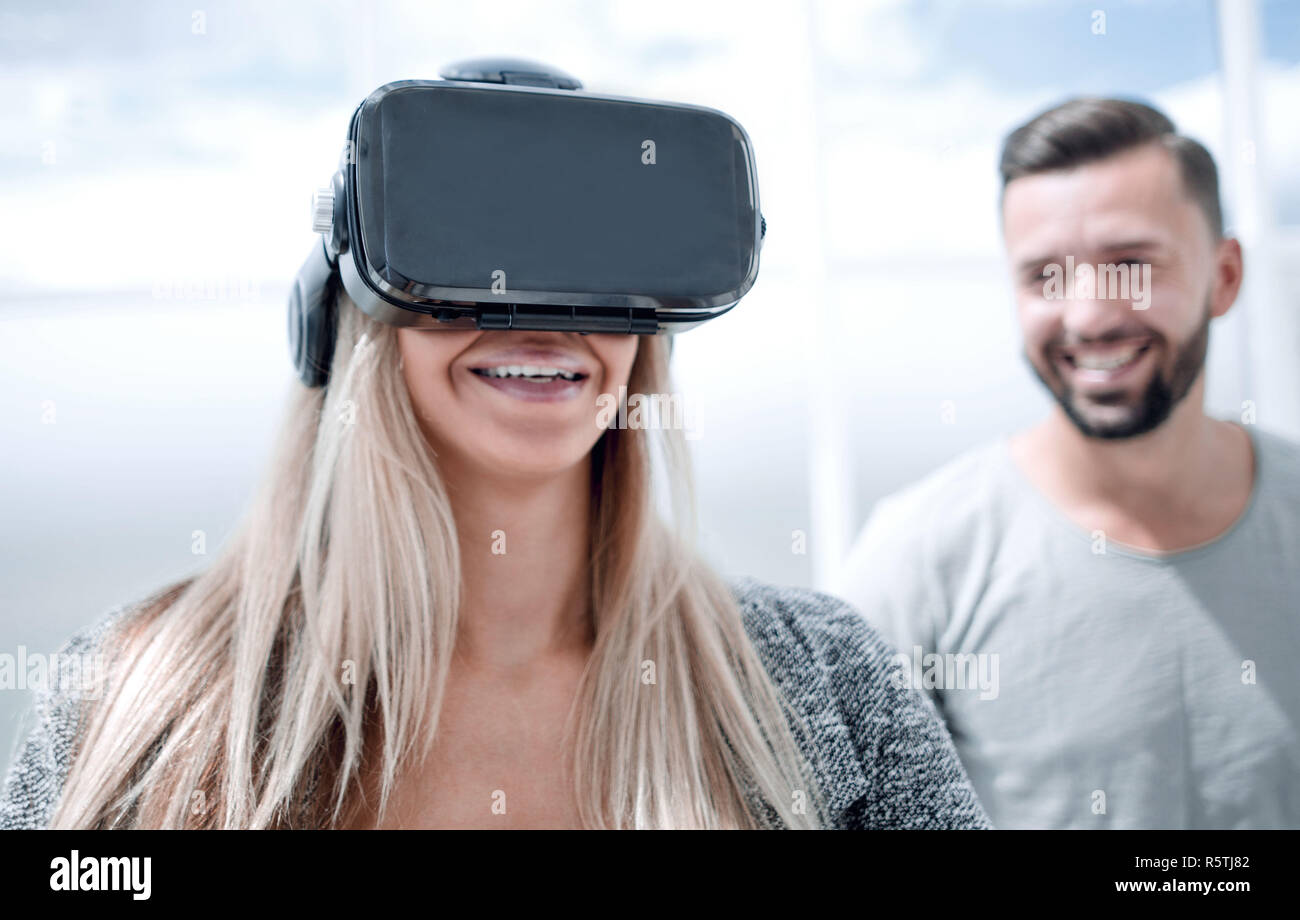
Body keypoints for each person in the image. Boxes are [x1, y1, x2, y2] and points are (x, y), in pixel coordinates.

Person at [0, 284, 990, 829]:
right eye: (470, 242)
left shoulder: (822, 677)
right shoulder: (142, 693)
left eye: (592, 252)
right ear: (350, 305)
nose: (540, 305)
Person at [835, 97, 1300, 829]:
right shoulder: (918, 559)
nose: (1087, 316)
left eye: (1130, 265)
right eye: (1045, 276)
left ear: (1226, 276)